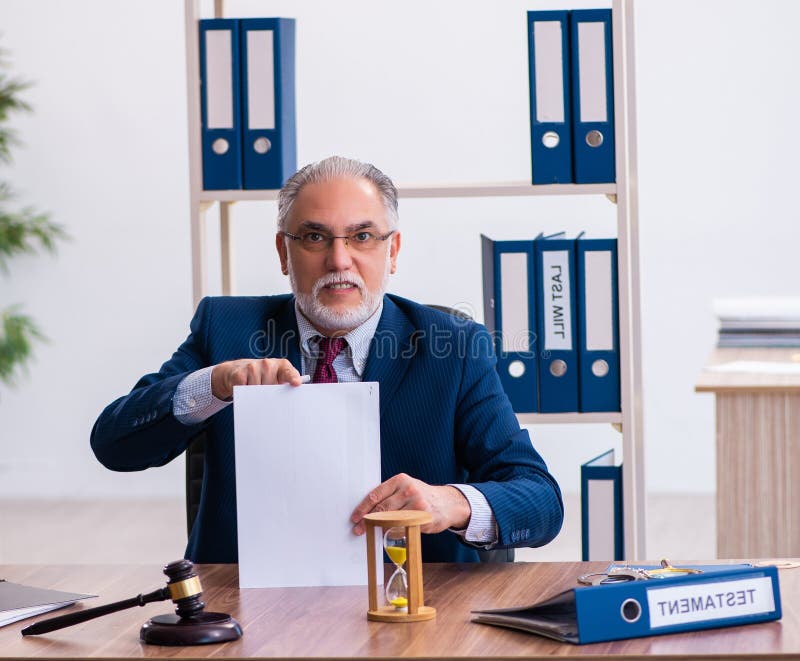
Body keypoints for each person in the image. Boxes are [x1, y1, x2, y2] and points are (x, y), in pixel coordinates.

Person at [91, 156, 563, 563]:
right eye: (315, 237)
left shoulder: (455, 348)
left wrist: (449, 503)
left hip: (412, 604)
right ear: (284, 251)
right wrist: (213, 386)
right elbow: (114, 444)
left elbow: (541, 500)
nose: (339, 260)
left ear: (392, 250)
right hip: (245, 607)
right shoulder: (226, 329)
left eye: (361, 236)